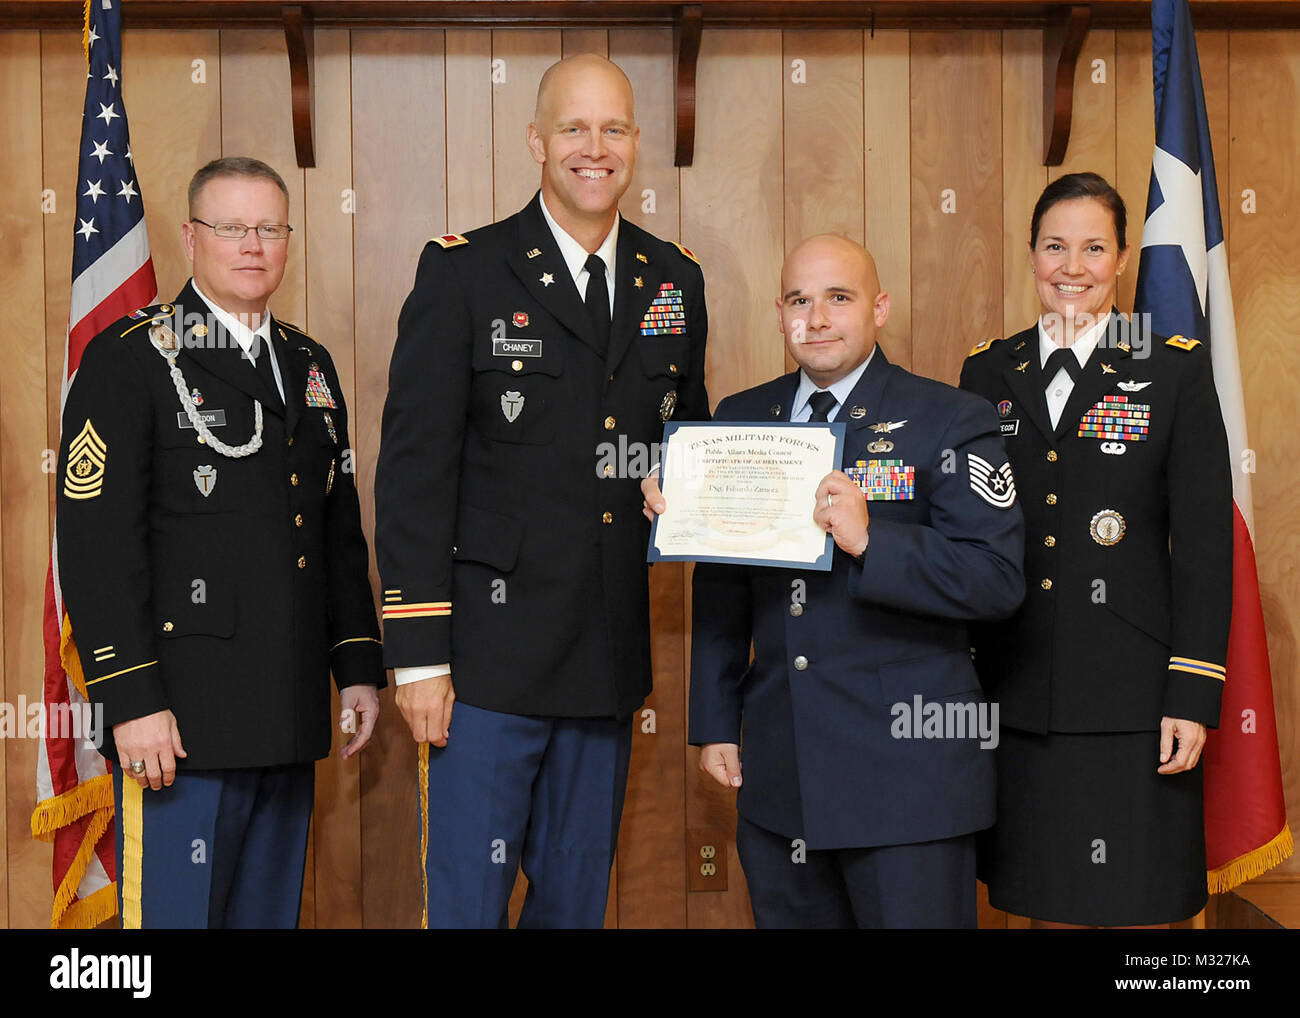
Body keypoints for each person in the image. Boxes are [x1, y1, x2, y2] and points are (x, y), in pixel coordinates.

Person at [375, 53, 709, 929]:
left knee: (573, 909)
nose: (594, 149)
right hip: (483, 666)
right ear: (536, 140)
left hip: (602, 659)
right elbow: (413, 475)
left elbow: (687, 440)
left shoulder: (674, 278)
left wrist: (683, 487)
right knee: (466, 907)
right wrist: (419, 657)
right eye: (573, 128)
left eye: (614, 129)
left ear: (636, 142)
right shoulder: (465, 271)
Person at [646, 234, 1024, 927]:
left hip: (907, 777)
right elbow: (722, 590)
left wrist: (873, 540)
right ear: (780, 312)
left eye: (838, 298)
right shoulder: (738, 420)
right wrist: (714, 723)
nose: (816, 318)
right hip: (781, 771)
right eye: (799, 300)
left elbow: (996, 579)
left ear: (879, 309)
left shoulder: (950, 418)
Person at [56, 157, 384, 929]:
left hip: (288, 711)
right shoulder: (132, 357)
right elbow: (97, 544)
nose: (253, 245)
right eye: (232, 227)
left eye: (270, 228)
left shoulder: (308, 364)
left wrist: (359, 666)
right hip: (178, 725)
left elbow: (336, 532)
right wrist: (131, 700)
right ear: (191, 237)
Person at [959, 172, 1232, 927]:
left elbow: (1206, 545)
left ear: (1120, 261)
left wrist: (1193, 693)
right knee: (1032, 897)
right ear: (1030, 254)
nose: (1070, 267)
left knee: (1136, 902)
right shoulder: (987, 371)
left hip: (1133, 696)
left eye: (1092, 248)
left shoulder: (1172, 369)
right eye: (1054, 246)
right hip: (1017, 689)